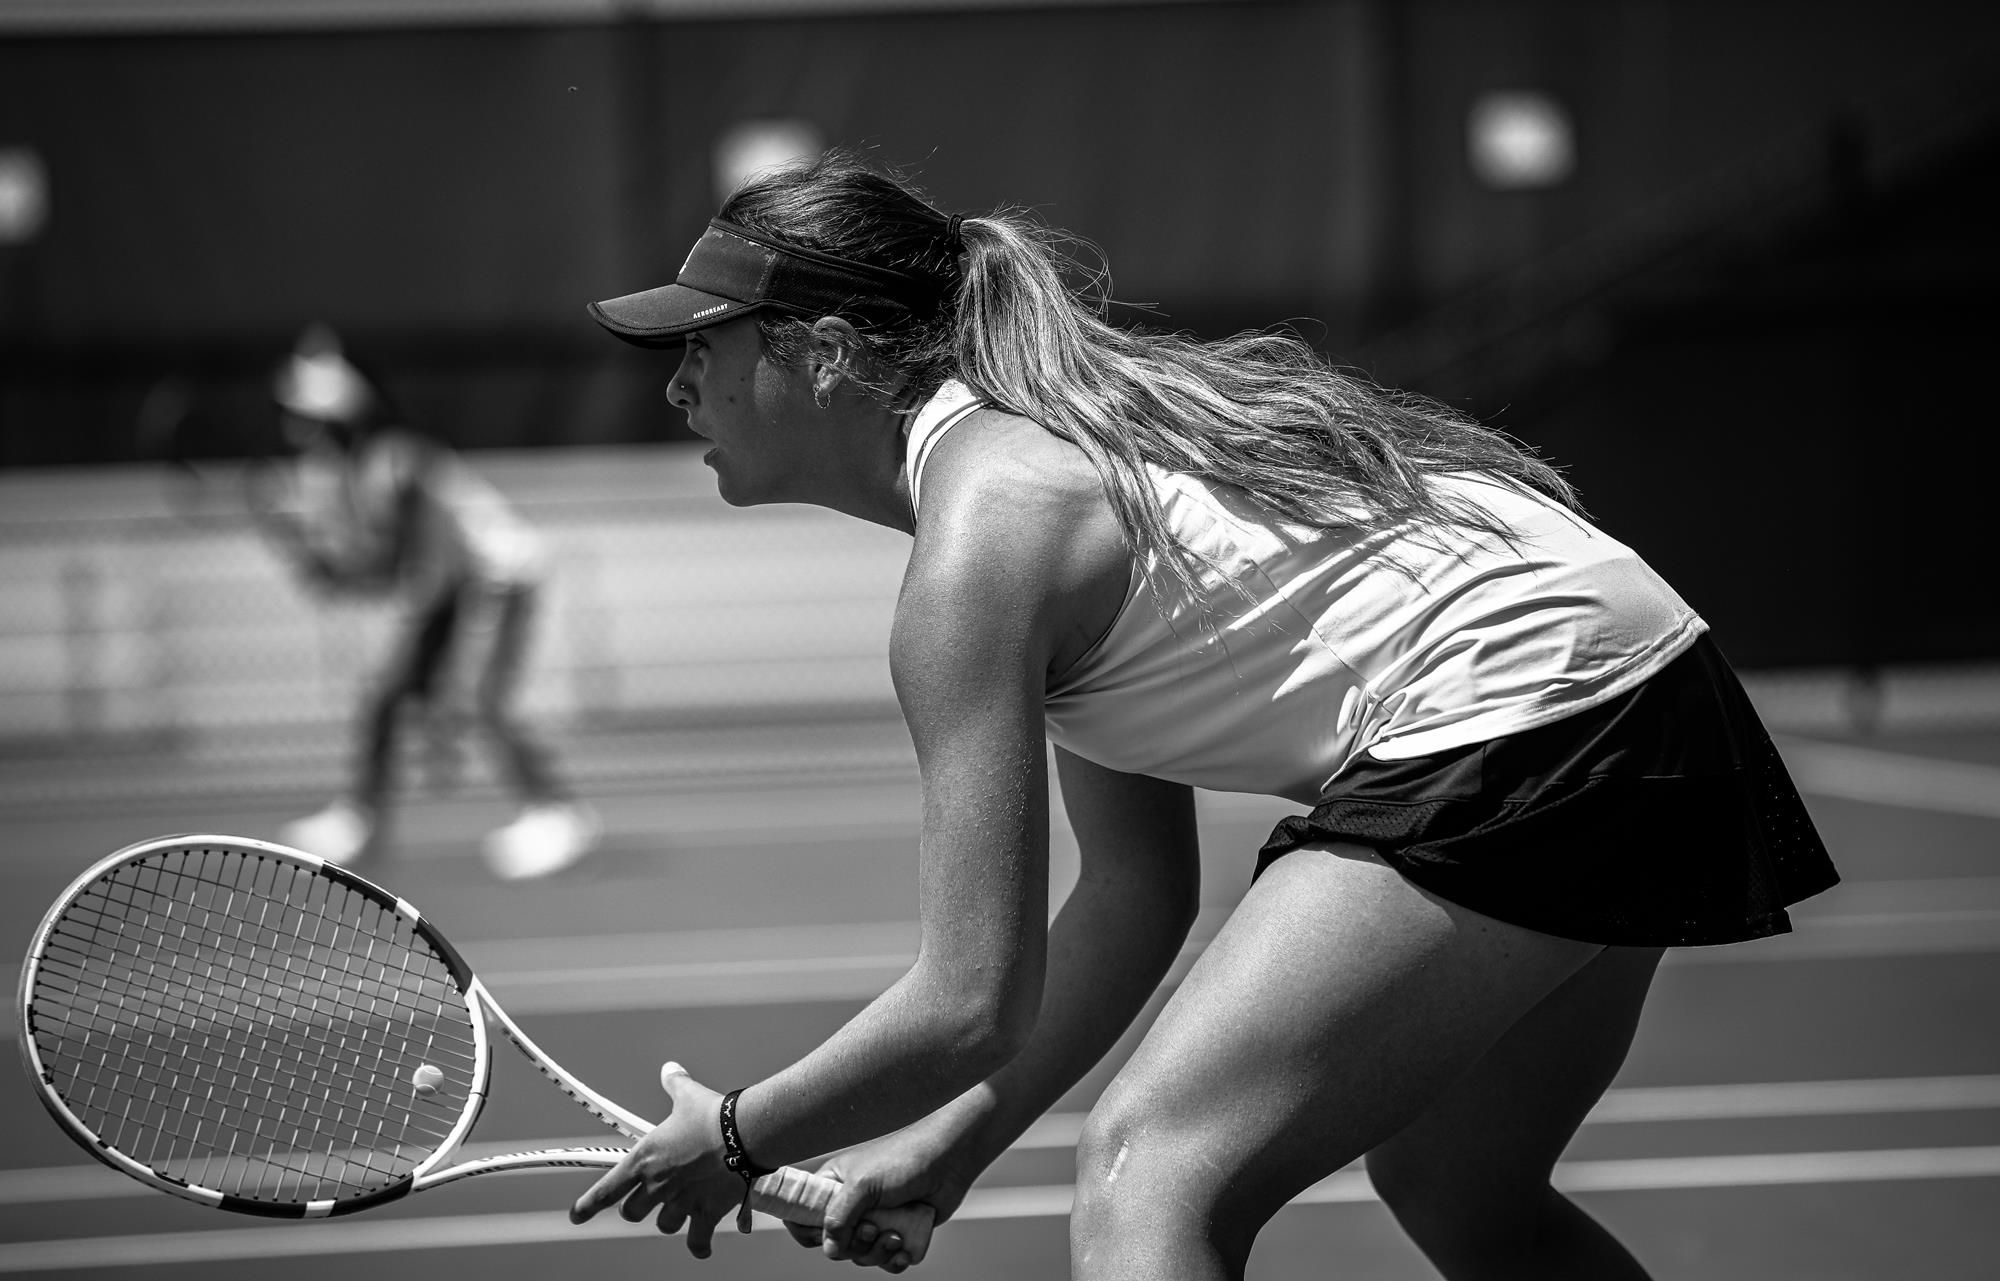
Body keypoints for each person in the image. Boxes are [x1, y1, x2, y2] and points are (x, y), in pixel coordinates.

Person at [567, 151, 1838, 1278]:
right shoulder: (1029, 475)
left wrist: (739, 1135)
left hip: (1523, 706)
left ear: (829, 354)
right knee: (1463, 1191)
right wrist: (950, 1148)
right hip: (1646, 681)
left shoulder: (981, 545)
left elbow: (967, 1002)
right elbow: (1133, 896)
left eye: (703, 345)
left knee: (1148, 1176)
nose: (677, 386)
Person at [252, 323, 599, 881]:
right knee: (388, 697)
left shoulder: (398, 460)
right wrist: (330, 569)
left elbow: (430, 560)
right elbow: (384, 567)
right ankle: (360, 818)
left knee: (478, 700)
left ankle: (557, 813)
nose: (295, 426)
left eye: (307, 416)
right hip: (462, 583)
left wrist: (365, 588)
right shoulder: (347, 471)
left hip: (500, 575)